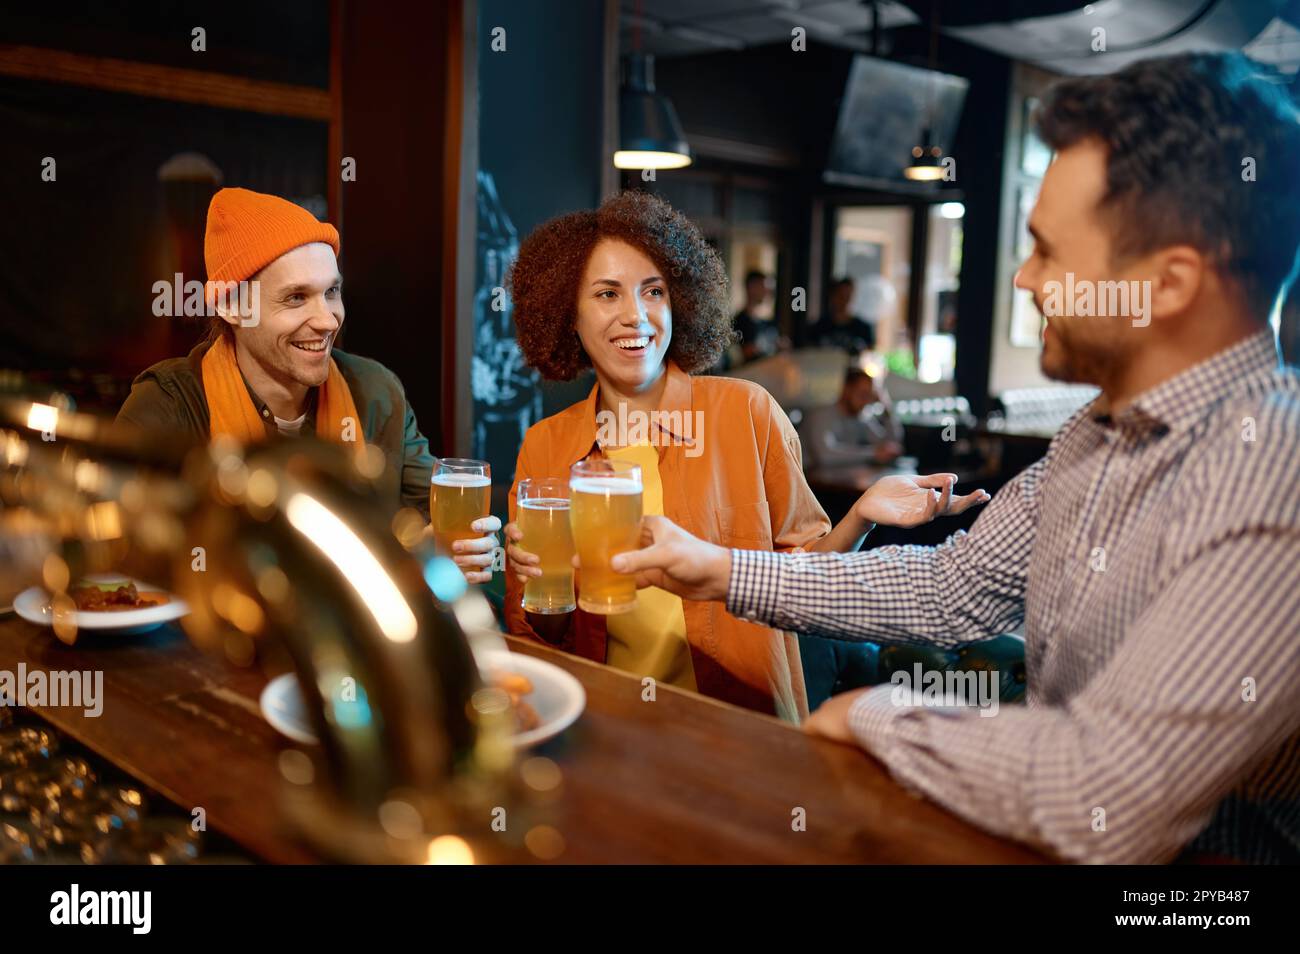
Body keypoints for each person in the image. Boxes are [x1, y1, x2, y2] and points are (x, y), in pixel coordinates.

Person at [605, 53, 1300, 863]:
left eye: (1046, 251)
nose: (1024, 278)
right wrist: (720, 568)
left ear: (1170, 282)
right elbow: (949, 588)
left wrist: (876, 713)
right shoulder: (1094, 434)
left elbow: (1106, 791)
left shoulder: (1269, 467)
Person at [502, 191, 987, 721]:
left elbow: (806, 587)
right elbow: (538, 635)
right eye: (606, 294)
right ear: (567, 314)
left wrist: (859, 518)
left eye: (654, 291)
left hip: (738, 725)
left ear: (679, 302)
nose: (635, 316)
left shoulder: (745, 412)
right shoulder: (546, 444)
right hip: (605, 725)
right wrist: (534, 582)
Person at [116, 187, 500, 583]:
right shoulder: (167, 406)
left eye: (331, 292)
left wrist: (437, 555)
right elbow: (119, 560)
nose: (329, 320)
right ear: (232, 306)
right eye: (296, 297)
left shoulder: (375, 393)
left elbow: (428, 528)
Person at [799, 367, 903, 469]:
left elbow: (890, 444)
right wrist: (873, 453)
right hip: (808, 481)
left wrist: (887, 407)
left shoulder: (861, 417)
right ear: (847, 389)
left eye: (869, 396)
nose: (866, 401)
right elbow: (824, 456)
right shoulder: (821, 416)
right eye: (862, 394)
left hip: (840, 481)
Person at [816, 277, 876, 355]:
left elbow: (869, 356)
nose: (844, 301)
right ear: (832, 296)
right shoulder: (818, 328)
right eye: (840, 296)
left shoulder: (863, 329)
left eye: (848, 296)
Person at [732, 270, 781, 363]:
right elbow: (744, 354)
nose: (767, 292)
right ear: (751, 288)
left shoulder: (766, 321)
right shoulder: (739, 321)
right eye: (763, 287)